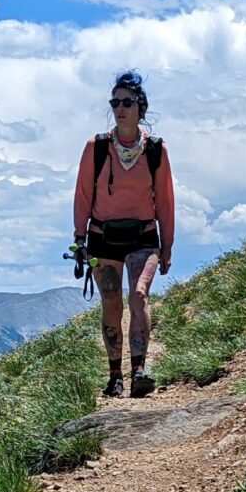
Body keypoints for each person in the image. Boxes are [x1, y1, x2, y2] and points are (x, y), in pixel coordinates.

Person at [72, 71, 175, 398]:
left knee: (139, 295)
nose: (119, 107)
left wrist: (167, 245)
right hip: (103, 237)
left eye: (126, 102)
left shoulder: (156, 150)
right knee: (112, 304)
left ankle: (140, 370)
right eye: (114, 102)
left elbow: (166, 200)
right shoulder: (97, 148)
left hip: (144, 235)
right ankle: (116, 375)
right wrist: (79, 240)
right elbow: (83, 195)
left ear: (140, 108)